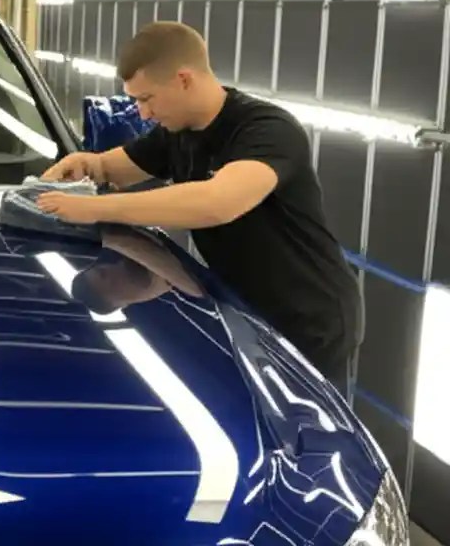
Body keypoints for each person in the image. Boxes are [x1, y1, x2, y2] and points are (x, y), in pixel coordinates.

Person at [36, 21, 361, 395]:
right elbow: (111, 167)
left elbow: (217, 202)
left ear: (184, 79)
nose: (142, 114)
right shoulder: (177, 134)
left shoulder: (265, 129)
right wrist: (85, 165)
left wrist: (95, 208)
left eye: (146, 99)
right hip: (240, 305)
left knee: (303, 433)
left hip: (306, 317)